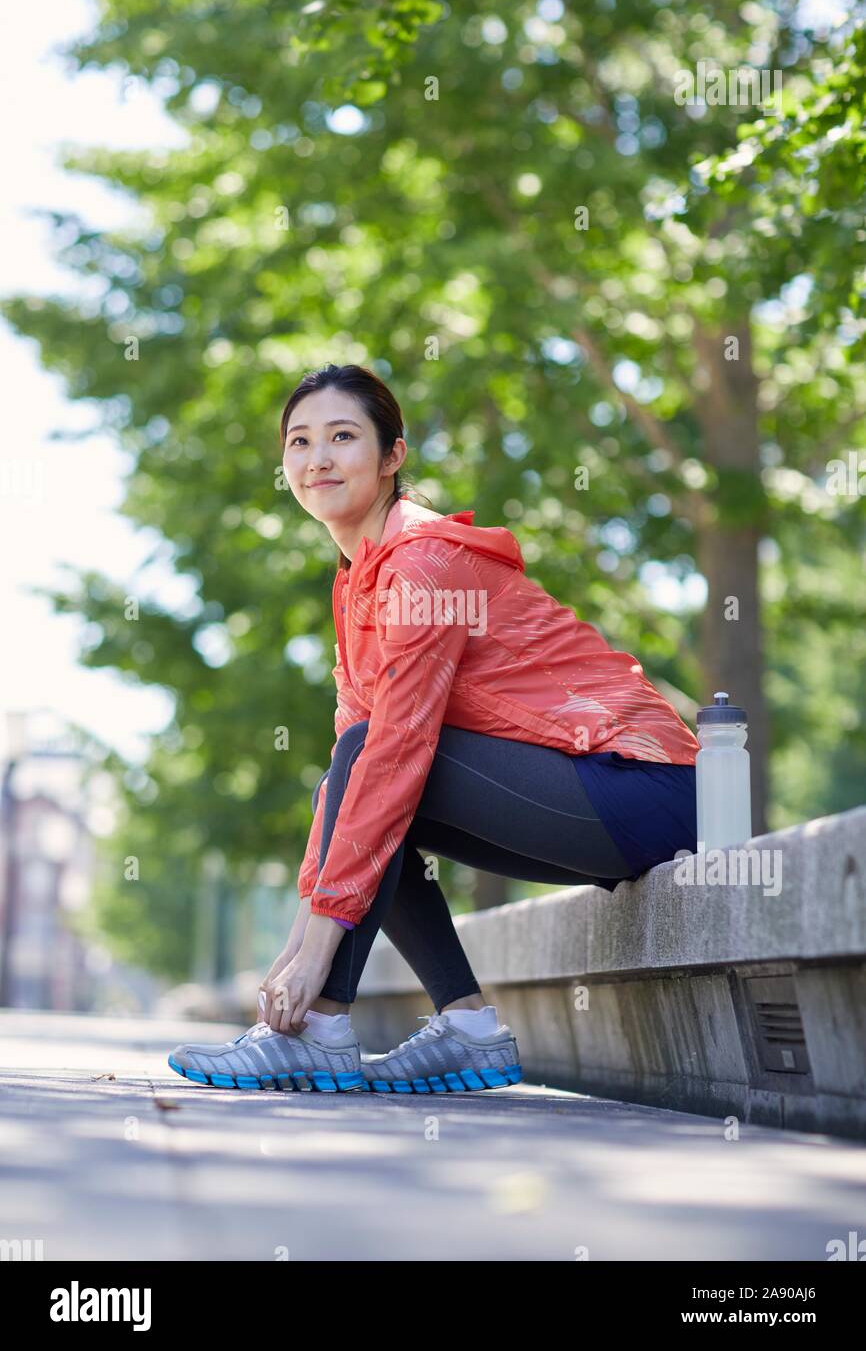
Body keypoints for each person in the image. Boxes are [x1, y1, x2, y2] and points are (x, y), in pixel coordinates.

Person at [168, 363, 700, 1095]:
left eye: (343, 436)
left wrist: (318, 957)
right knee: (356, 776)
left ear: (393, 457)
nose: (317, 458)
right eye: (299, 441)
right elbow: (347, 783)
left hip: (647, 788)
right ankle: (469, 1027)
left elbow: (392, 751)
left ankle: (321, 1029)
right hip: (582, 794)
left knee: (376, 761)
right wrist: (294, 947)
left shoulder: (424, 564)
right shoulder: (359, 577)